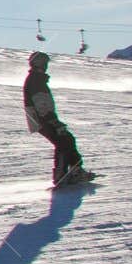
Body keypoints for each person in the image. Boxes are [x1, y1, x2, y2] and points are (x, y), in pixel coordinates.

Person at [24, 51, 91, 187]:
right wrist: (52, 121)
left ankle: (75, 171)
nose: (46, 66)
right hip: (42, 119)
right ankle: (61, 175)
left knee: (67, 139)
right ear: (39, 64)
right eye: (45, 63)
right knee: (63, 142)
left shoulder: (38, 78)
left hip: (43, 118)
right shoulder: (36, 80)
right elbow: (41, 103)